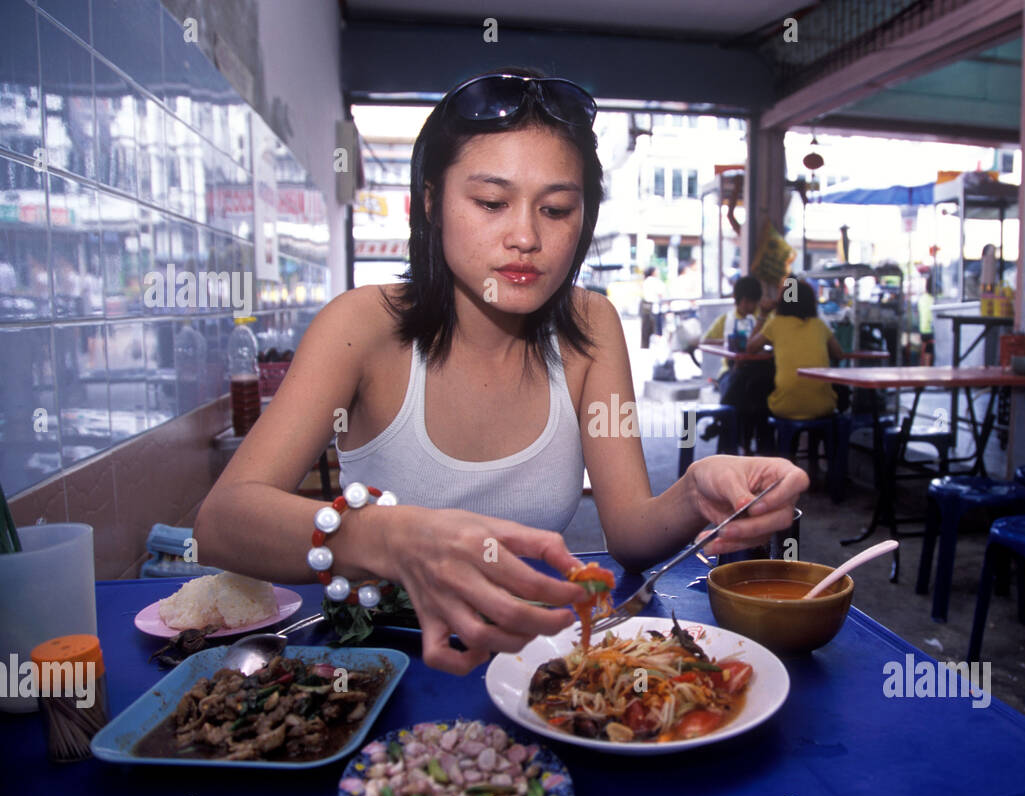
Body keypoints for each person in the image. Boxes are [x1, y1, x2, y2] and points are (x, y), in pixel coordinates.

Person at [193, 68, 808, 676]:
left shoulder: (591, 327)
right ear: (431, 202)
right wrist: (391, 539)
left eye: (557, 209)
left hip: (535, 665)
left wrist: (696, 491)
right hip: (381, 667)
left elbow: (629, 534)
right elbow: (224, 522)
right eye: (491, 202)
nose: (525, 236)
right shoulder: (362, 326)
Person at [747, 279, 843, 422]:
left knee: (755, 387)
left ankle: (765, 442)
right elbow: (839, 354)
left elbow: (751, 348)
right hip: (823, 406)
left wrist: (763, 314)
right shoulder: (819, 325)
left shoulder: (775, 323)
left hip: (785, 406)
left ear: (782, 302)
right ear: (811, 303)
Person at [701, 276, 774, 452]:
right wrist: (727, 341)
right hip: (730, 370)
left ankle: (720, 427)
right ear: (741, 301)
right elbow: (705, 341)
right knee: (741, 390)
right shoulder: (726, 319)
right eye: (750, 302)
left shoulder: (763, 318)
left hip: (756, 371)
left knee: (746, 398)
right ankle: (735, 449)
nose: (752, 307)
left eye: (755, 303)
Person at [639, 265, 667, 349]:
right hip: (655, 306)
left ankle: (645, 346)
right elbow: (661, 294)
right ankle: (659, 345)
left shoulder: (646, 281)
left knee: (646, 328)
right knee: (657, 328)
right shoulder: (655, 281)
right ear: (653, 272)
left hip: (646, 306)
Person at [917, 276, 935, 365]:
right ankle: (928, 366)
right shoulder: (934, 299)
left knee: (928, 346)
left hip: (922, 331)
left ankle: (925, 366)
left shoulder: (922, 298)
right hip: (930, 332)